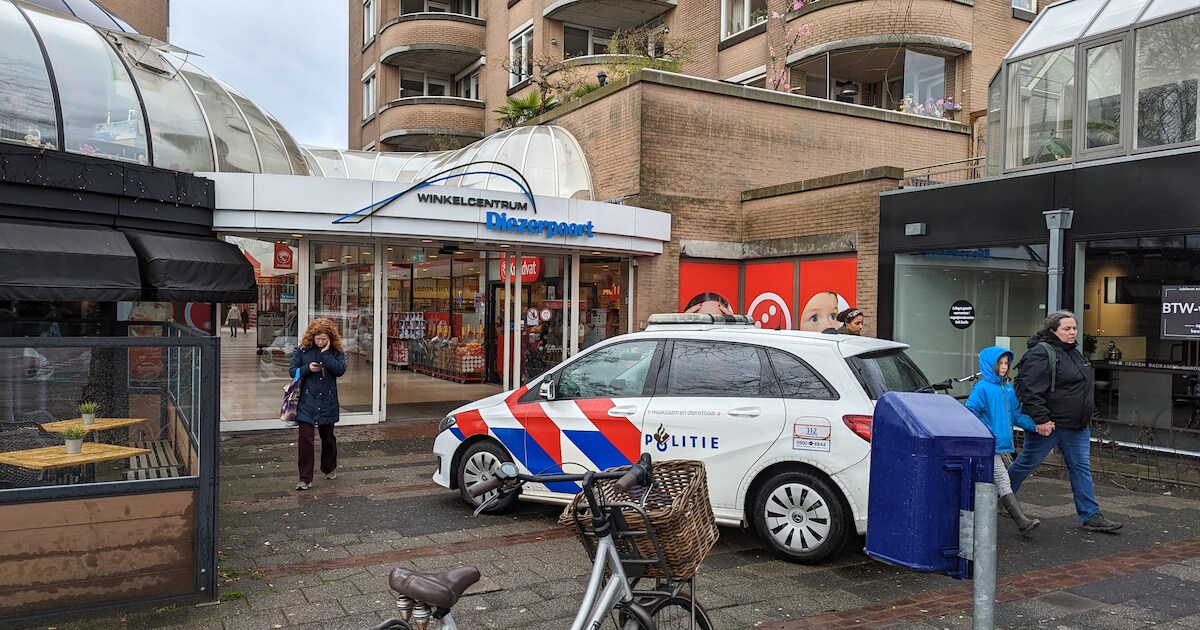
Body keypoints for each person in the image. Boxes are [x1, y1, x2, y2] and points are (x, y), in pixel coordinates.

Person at [1010, 310, 1123, 532]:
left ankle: (1091, 515)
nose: (1073, 332)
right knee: (1026, 463)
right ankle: (1001, 498)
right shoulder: (1041, 353)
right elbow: (1031, 390)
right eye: (1067, 328)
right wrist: (1041, 420)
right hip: (1050, 426)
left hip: (1077, 426)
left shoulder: (1074, 353)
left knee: (1081, 468)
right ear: (1053, 330)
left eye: (1074, 328)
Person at [966, 346, 1044, 536]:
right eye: (999, 363)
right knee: (1002, 479)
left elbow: (1016, 414)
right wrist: (986, 434)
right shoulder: (982, 388)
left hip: (995, 444)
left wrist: (1036, 426)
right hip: (989, 445)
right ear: (989, 365)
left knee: (990, 481)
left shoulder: (1007, 388)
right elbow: (970, 413)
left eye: (1006, 363)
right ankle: (1021, 521)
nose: (1003, 367)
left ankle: (979, 519)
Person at [289, 317, 347, 491]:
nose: (320, 342)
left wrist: (326, 355)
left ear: (330, 338)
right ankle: (305, 478)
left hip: (327, 400)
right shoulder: (303, 350)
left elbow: (340, 370)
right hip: (306, 400)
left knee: (328, 437)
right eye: (318, 338)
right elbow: (293, 372)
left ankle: (329, 467)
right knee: (305, 438)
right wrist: (307, 369)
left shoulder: (336, 351)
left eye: (324, 339)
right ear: (312, 336)